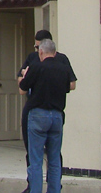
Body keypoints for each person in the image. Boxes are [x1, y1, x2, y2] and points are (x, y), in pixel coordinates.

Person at [18, 39, 74, 193]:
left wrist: (26, 74)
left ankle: (35, 190)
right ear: (55, 53)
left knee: (36, 160)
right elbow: (69, 87)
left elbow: (22, 87)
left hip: (38, 115)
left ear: (41, 52)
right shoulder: (63, 69)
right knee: (54, 159)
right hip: (57, 116)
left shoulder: (37, 66)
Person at [19, 30, 76, 155]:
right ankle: (54, 175)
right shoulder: (60, 63)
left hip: (37, 109)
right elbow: (72, 84)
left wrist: (27, 77)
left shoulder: (36, 64)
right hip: (56, 109)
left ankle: (35, 175)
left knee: (34, 152)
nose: (38, 50)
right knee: (54, 153)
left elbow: (22, 87)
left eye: (38, 47)